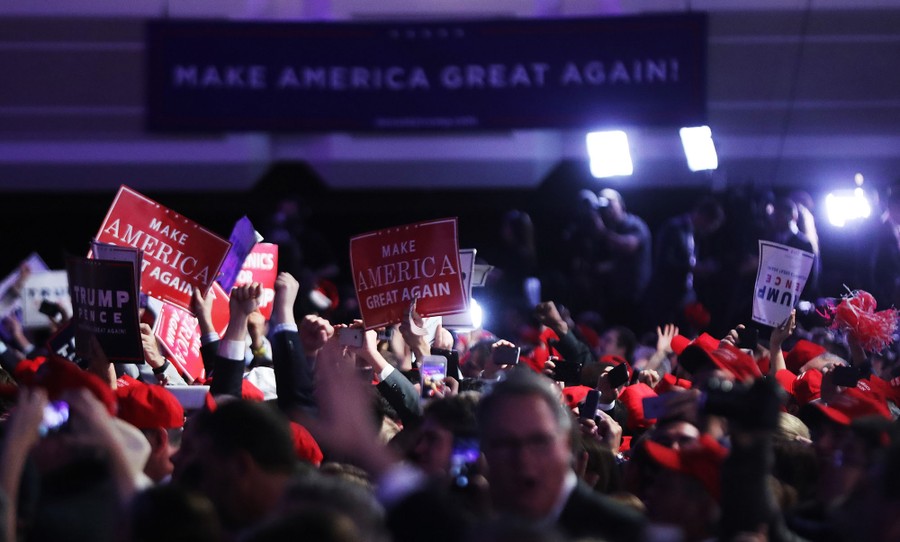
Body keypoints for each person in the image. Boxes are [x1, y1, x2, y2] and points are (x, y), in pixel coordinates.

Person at [476, 367, 645, 541]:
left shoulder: (627, 532)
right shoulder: (466, 526)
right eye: (506, 443)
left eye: (539, 441)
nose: (523, 458)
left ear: (568, 444)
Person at [644, 196, 724, 332]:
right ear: (703, 216)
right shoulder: (674, 228)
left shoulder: (692, 232)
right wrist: (695, 268)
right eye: (711, 224)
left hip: (681, 296)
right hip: (667, 296)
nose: (710, 230)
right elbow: (664, 261)